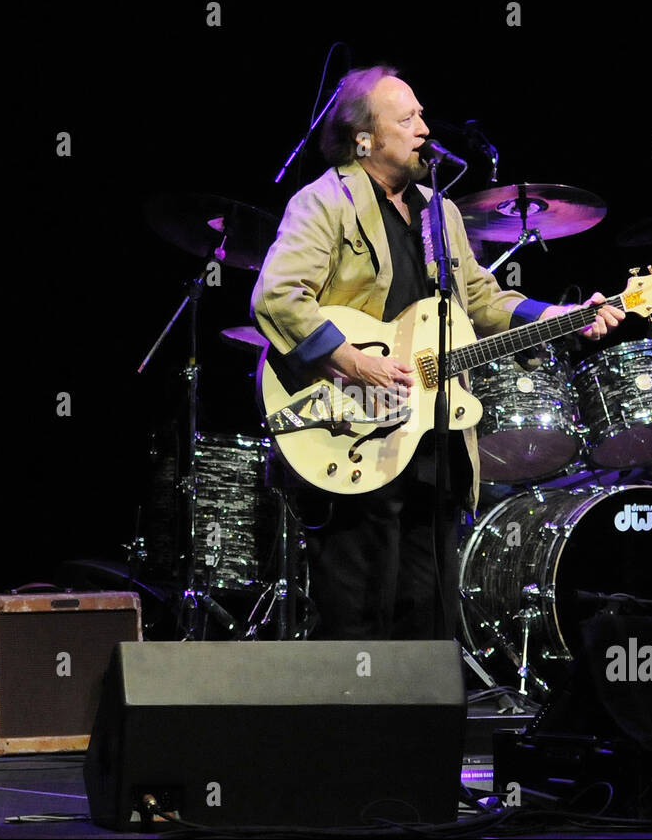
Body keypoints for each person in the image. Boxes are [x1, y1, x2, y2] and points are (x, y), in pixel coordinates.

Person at [252, 65, 624, 640]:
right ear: (364, 139)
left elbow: (480, 298)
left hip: (432, 439)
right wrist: (354, 360)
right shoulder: (324, 202)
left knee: (426, 614)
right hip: (352, 427)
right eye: (407, 118)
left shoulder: (439, 211)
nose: (425, 127)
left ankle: (420, 727)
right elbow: (277, 297)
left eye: (422, 114)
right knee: (358, 612)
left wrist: (559, 316)